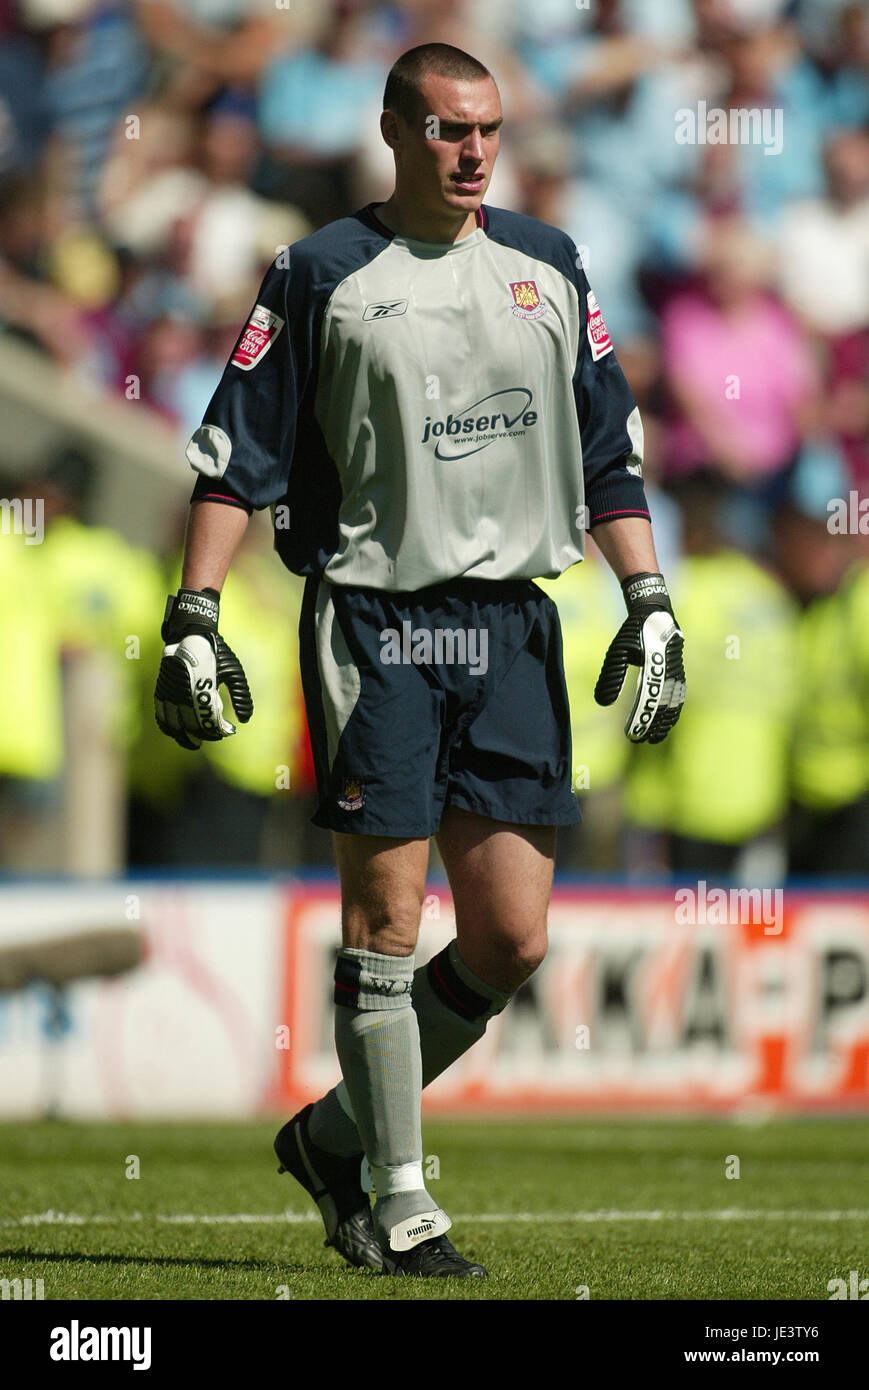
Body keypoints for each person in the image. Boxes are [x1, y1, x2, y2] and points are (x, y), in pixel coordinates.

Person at [152, 43, 686, 1277]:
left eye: (488, 129)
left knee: (508, 940)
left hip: (512, 627)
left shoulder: (548, 265)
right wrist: (195, 609)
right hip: (376, 622)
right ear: (393, 130)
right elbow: (238, 454)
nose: (472, 151)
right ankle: (398, 1196)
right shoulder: (320, 272)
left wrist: (647, 599)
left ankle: (333, 1138)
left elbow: (608, 454)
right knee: (385, 918)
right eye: (447, 129)